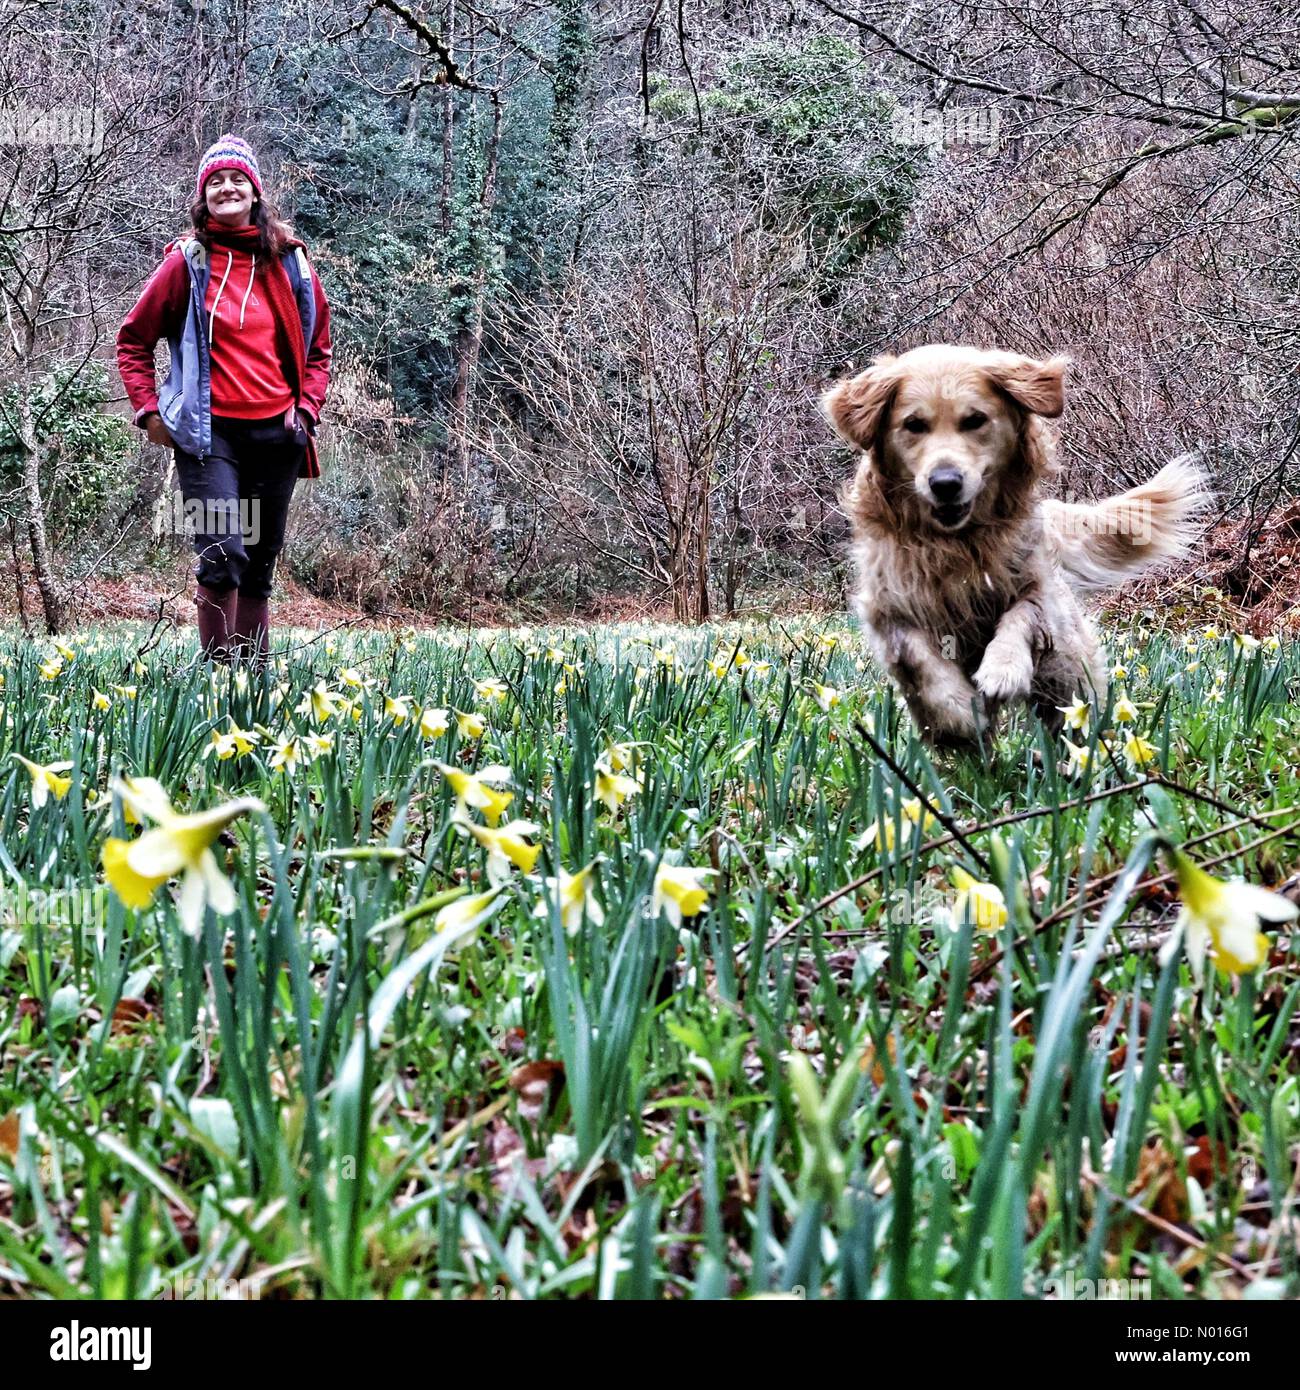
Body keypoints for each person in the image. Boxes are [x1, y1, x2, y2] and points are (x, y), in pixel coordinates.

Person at [117, 135, 332, 663]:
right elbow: (133, 340)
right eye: (216, 181)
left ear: (255, 192)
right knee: (222, 553)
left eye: (238, 179)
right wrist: (148, 411)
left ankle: (251, 684)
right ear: (203, 195)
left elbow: (319, 349)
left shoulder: (291, 264)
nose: (227, 188)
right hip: (209, 436)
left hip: (277, 435)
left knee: (259, 563)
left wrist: (304, 410)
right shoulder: (186, 264)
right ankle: (217, 678)